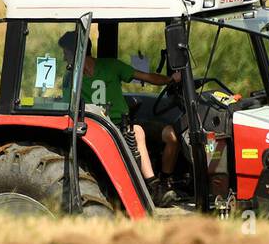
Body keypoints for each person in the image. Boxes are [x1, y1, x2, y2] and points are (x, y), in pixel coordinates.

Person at [59, 31, 181, 197]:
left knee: (170, 134)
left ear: (76, 51)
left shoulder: (111, 66)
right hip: (97, 127)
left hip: (122, 123)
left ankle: (165, 181)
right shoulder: (70, 78)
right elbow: (68, 107)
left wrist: (170, 80)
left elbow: (145, 76)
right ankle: (153, 187)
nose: (64, 58)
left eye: (65, 53)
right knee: (136, 131)